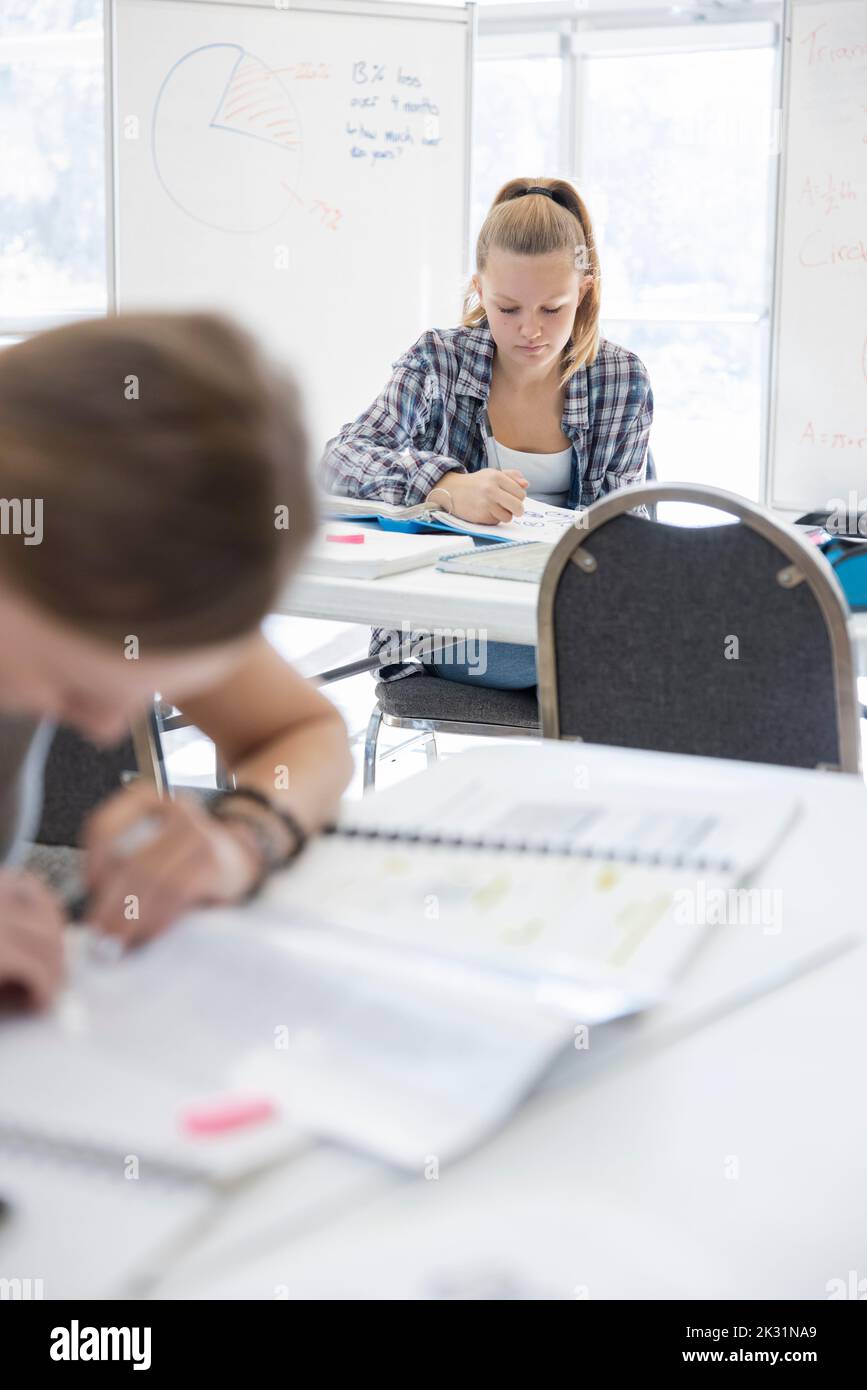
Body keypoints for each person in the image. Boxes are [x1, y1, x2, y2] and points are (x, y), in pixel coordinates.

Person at [0, 312, 352, 1008]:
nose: (103, 732)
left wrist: (240, 841)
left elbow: (303, 733)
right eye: (76, 686)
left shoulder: (125, 563)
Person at [320, 176, 653, 690]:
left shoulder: (621, 379)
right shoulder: (439, 360)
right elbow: (340, 461)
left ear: (584, 292)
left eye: (553, 308)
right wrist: (448, 486)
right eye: (507, 308)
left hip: (573, 615)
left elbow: (630, 532)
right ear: (480, 290)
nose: (530, 330)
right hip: (450, 624)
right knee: (592, 673)